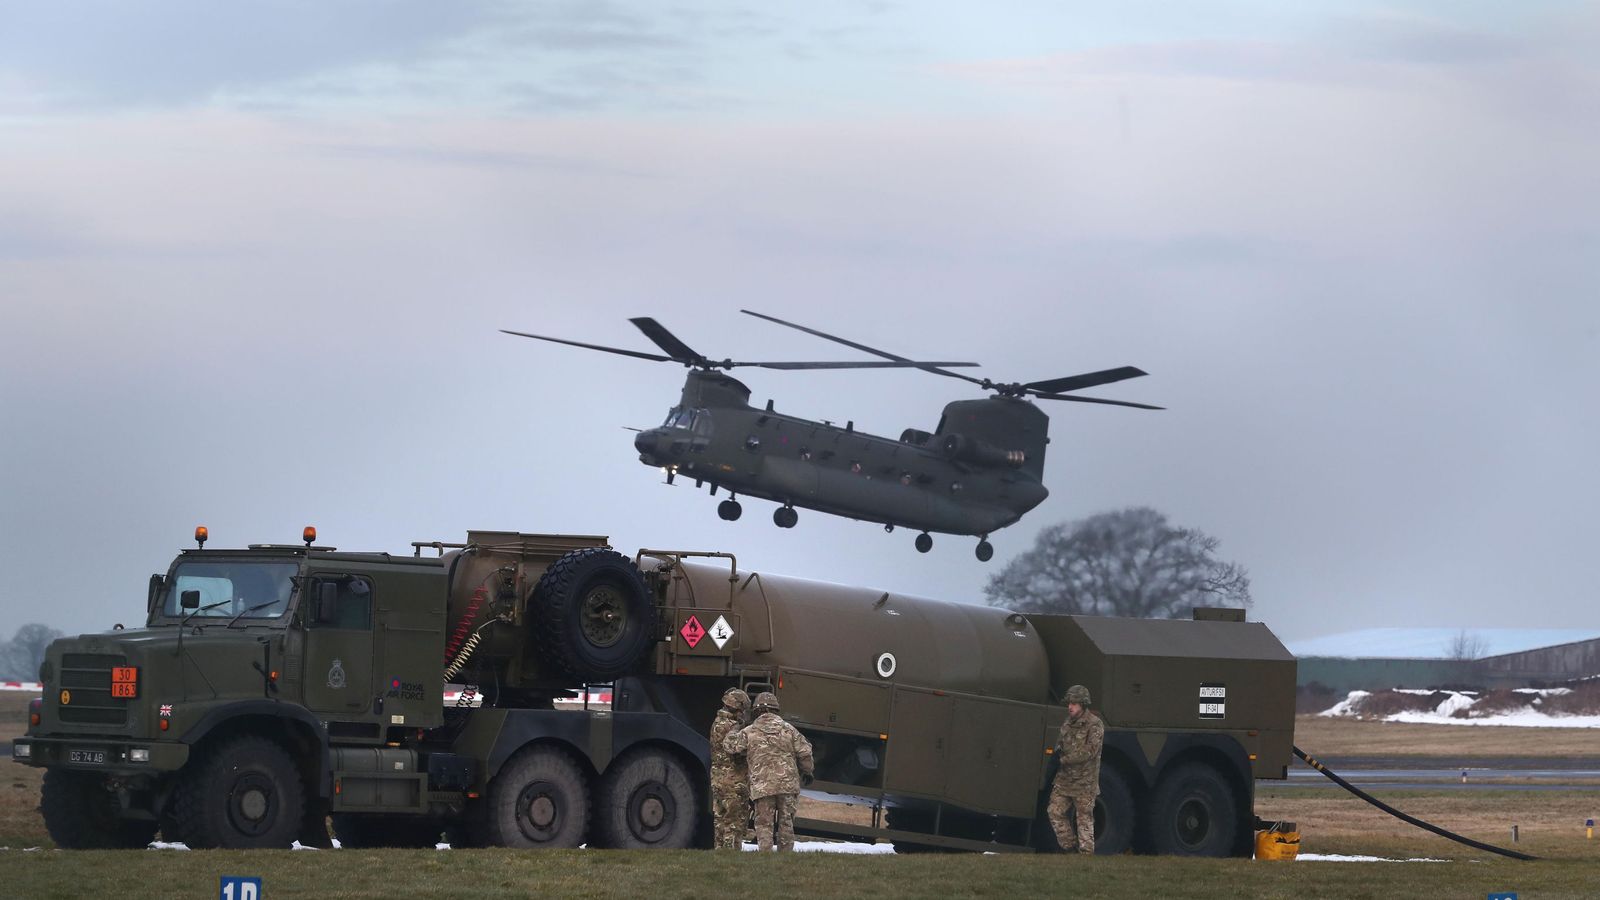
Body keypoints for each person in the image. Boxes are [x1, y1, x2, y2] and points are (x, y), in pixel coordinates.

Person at [722, 691, 813, 852]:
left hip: (763, 786)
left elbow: (730, 746)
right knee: (786, 822)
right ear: (776, 710)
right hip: (788, 785)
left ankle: (766, 856)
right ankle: (785, 856)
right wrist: (807, 770)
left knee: (764, 823)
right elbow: (805, 752)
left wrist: (734, 729)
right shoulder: (789, 730)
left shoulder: (750, 731)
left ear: (757, 710)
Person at [1048, 683, 1104, 854]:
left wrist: (1065, 759)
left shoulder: (1094, 725)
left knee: (1084, 819)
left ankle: (1086, 857)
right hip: (1065, 780)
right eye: (1069, 703)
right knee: (1054, 812)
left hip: (1084, 783)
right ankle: (1070, 848)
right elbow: (1060, 743)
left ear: (1083, 704)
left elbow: (1090, 751)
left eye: (1074, 703)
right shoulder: (1067, 723)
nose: (1070, 707)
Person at [708, 687, 752, 850]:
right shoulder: (732, 727)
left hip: (718, 777)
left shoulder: (717, 722)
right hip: (733, 780)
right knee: (733, 822)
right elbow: (737, 751)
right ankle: (730, 855)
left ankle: (719, 852)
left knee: (719, 819)